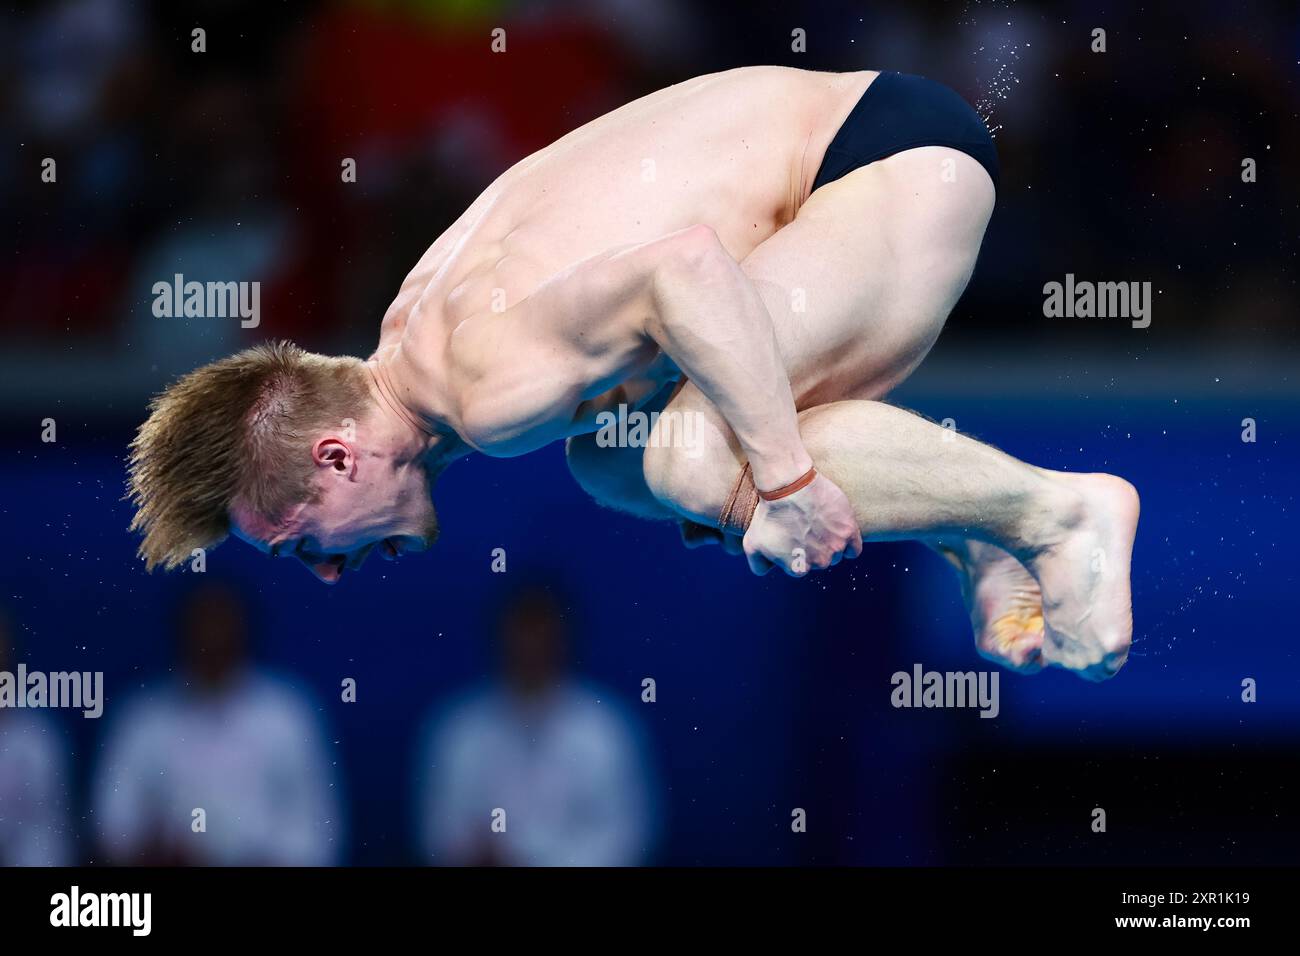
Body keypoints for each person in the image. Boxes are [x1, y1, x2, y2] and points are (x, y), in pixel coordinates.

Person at [128, 67, 1137, 680]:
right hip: (852, 151)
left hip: (885, 166)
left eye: (305, 545)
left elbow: (682, 267)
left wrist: (782, 484)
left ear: (338, 455)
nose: (333, 573)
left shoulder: (482, 388)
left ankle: (1059, 511)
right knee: (613, 462)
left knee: (695, 460)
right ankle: (973, 531)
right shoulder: (413, 322)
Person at [93, 582, 342, 865]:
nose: (212, 642)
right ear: (181, 637)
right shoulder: (141, 717)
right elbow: (112, 822)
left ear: (244, 635)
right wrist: (149, 848)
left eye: (222, 632)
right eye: (202, 632)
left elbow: (318, 827)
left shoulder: (288, 714)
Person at [417, 586, 653, 866]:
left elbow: (627, 834)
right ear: (500, 641)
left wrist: (535, 860)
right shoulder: (458, 728)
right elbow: (438, 832)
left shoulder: (606, 729)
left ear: (562, 642)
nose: (530, 650)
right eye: (522, 637)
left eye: (541, 638)